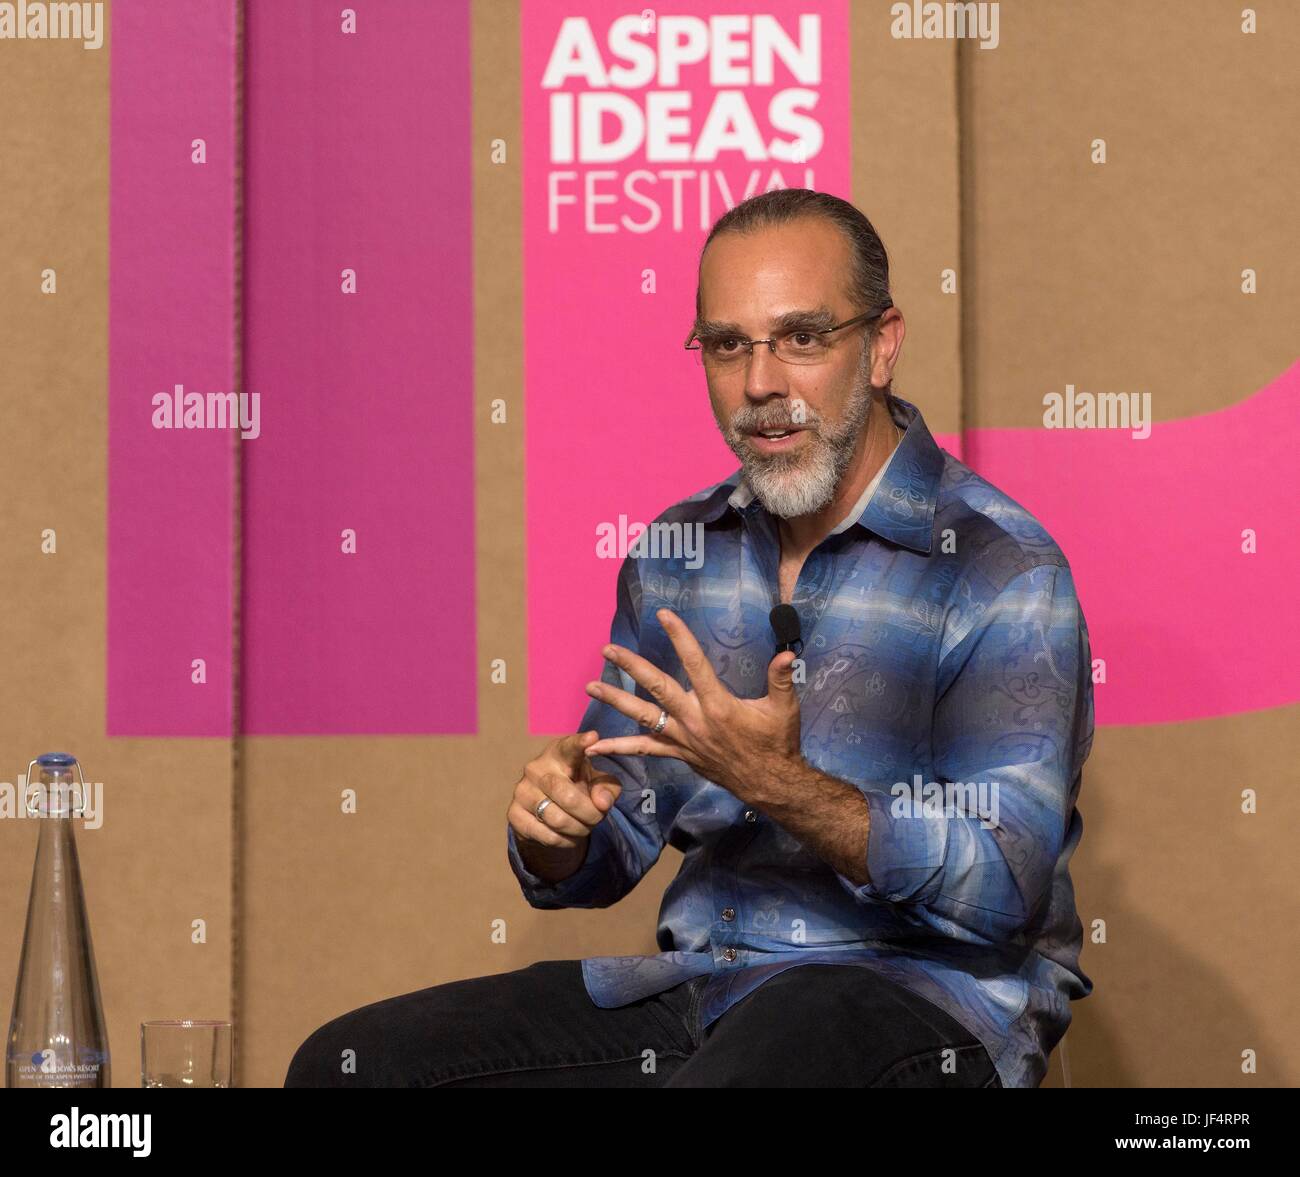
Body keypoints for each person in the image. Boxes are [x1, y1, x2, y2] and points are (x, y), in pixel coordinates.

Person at [285, 188, 1094, 1088]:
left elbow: (1007, 887)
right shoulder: (679, 554)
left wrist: (782, 787)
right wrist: (563, 830)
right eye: (726, 345)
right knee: (350, 1070)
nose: (760, 384)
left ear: (882, 345)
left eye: (802, 338)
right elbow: (617, 829)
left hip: (924, 998)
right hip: (706, 987)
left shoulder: (998, 568)